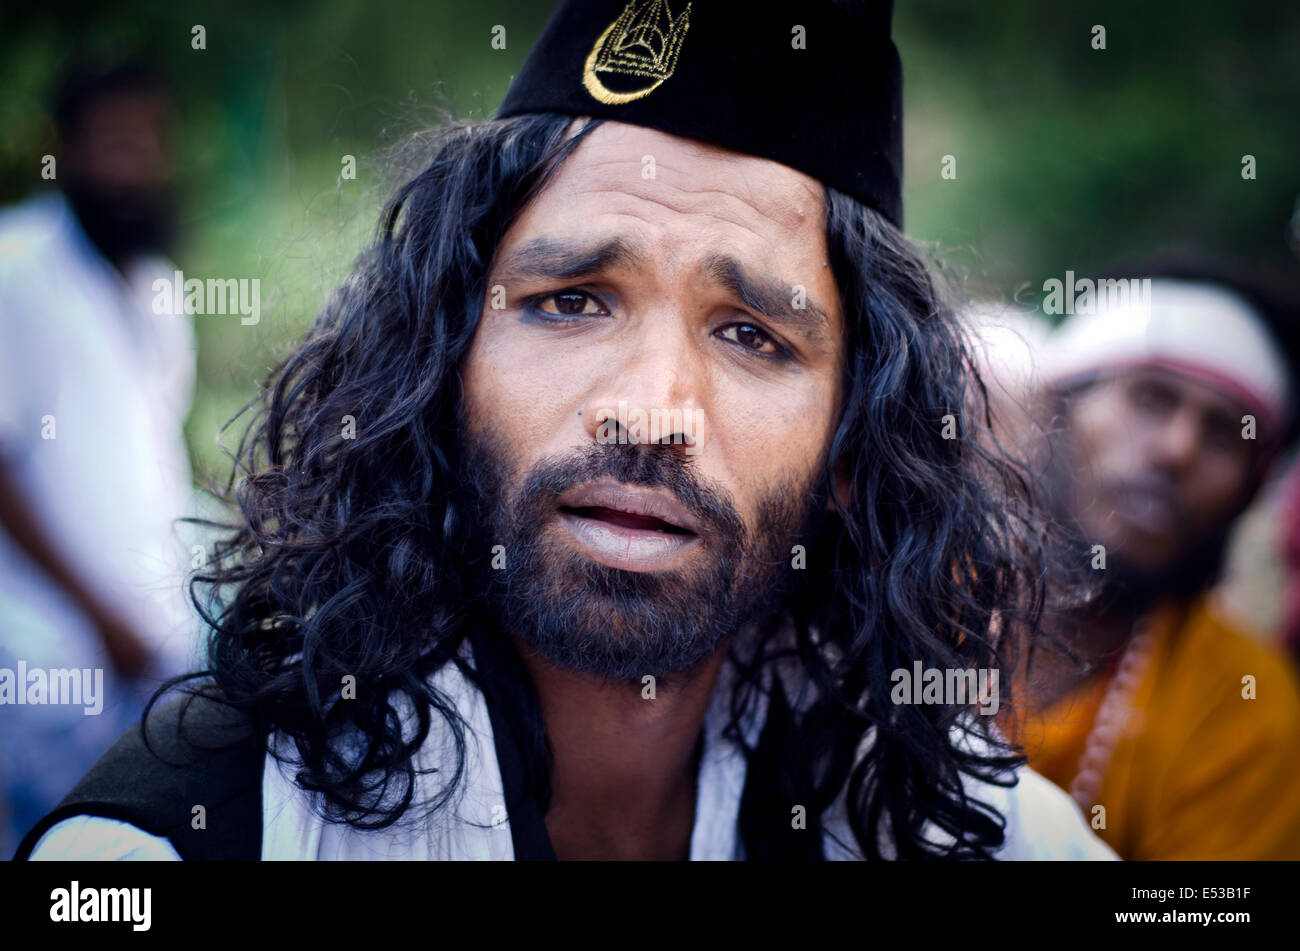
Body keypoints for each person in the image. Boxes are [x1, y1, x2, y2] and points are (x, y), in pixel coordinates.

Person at [18, 0, 1113, 861]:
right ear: (439, 366)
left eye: (751, 336)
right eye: (572, 301)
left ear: (850, 448)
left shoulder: (977, 839)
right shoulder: (170, 846)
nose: (649, 411)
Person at [1011, 268, 1300, 859]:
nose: (1177, 450)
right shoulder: (895, 591)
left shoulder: (1249, 714)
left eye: (1223, 435)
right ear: (1055, 410)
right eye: (1149, 398)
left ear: (1247, 493)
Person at [0, 63, 199, 857]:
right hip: (45, 655)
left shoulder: (155, 280)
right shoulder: (15, 269)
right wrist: (100, 617)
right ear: (66, 150)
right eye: (114, 143)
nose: (135, 164)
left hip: (150, 648)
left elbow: (149, 446)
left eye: (149, 141)